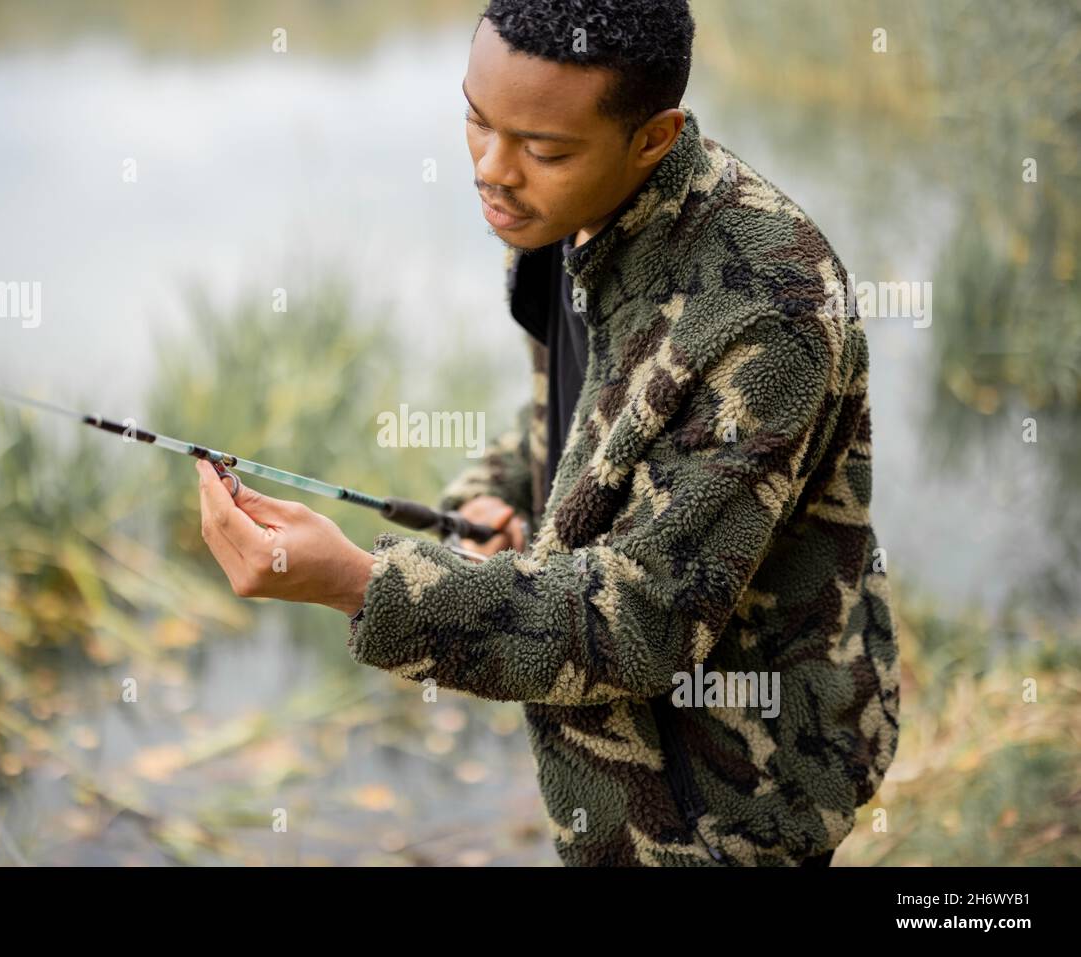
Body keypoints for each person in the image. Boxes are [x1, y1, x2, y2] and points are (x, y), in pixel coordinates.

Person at [194, 0, 899, 866]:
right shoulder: (564, 212)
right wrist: (496, 496)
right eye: (475, 121)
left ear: (654, 137)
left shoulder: (767, 314)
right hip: (603, 782)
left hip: (729, 804)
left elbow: (641, 623)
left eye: (543, 148)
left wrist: (361, 583)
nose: (492, 170)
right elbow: (575, 420)